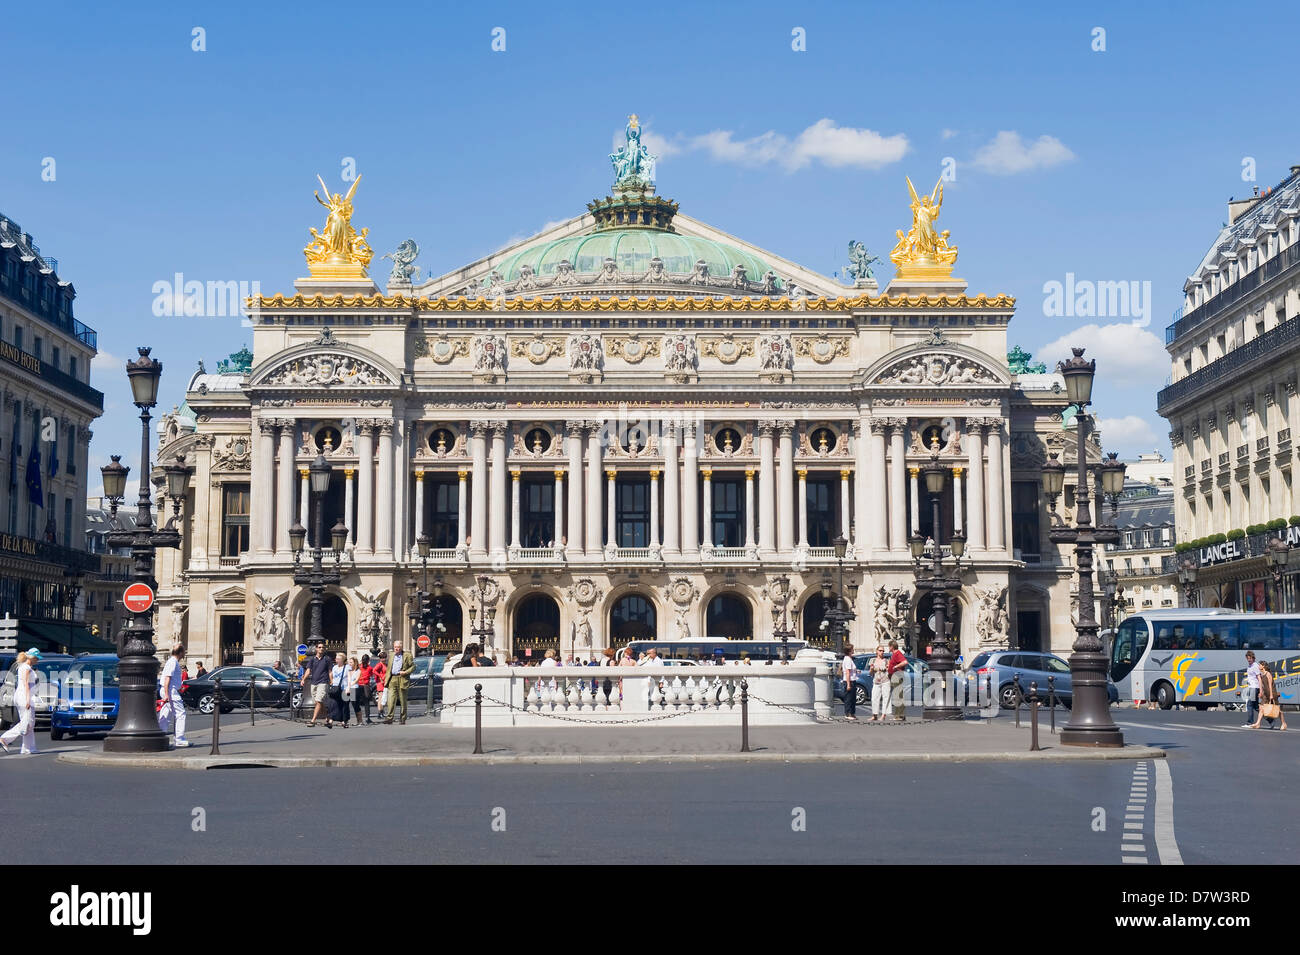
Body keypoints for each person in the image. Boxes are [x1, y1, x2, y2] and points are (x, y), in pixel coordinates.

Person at [1, 650, 39, 754]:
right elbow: (26, 684)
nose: (38, 660)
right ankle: (5, 739)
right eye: (36, 657)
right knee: (27, 723)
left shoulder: (23, 667)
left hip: (21, 696)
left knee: (28, 722)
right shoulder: (26, 668)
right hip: (24, 696)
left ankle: (28, 748)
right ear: (31, 657)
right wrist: (28, 699)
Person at [157, 642, 190, 748]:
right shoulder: (173, 662)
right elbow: (167, 678)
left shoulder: (172, 661)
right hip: (170, 691)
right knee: (180, 713)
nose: (184, 654)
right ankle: (179, 739)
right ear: (180, 652)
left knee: (166, 714)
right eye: (184, 652)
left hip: (168, 690)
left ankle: (161, 735)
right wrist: (167, 694)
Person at [300, 643, 334, 727]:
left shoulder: (327, 659)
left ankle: (313, 720)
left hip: (323, 682)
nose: (321, 649)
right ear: (316, 649)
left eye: (323, 647)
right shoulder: (312, 660)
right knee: (318, 702)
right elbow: (308, 670)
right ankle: (327, 718)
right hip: (314, 682)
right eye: (319, 647)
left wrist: (331, 681)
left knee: (319, 701)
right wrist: (303, 679)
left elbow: (330, 671)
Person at [1250, 661, 1288, 730]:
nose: (1259, 666)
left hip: (1272, 693)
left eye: (1260, 665)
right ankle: (1258, 723)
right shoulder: (1262, 674)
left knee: (1277, 710)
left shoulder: (1268, 674)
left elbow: (1270, 685)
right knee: (1261, 708)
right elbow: (1262, 685)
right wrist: (1261, 692)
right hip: (1265, 694)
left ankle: (1284, 723)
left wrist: (1271, 695)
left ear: (1263, 666)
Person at [383, 641, 415, 724]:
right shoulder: (391, 655)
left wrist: (405, 672)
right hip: (392, 679)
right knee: (390, 699)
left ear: (401, 648)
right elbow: (389, 668)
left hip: (402, 678)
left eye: (397, 647)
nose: (396, 649)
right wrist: (386, 678)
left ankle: (403, 718)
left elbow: (413, 667)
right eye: (395, 647)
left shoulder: (407, 655)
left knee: (402, 700)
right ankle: (389, 718)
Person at [887, 640, 908, 722]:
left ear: (892, 646)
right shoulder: (894, 654)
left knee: (898, 695)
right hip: (895, 676)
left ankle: (899, 715)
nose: (888, 648)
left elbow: (905, 662)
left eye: (889, 646)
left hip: (897, 676)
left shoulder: (897, 653)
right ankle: (898, 715)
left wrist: (896, 666)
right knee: (897, 695)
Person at [870, 645, 890, 722]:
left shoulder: (886, 660)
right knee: (874, 698)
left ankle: (883, 715)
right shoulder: (873, 660)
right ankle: (874, 715)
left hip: (885, 681)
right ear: (877, 651)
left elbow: (889, 670)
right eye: (880, 650)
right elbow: (871, 673)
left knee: (885, 698)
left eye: (883, 651)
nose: (882, 652)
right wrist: (871, 669)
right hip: (876, 681)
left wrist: (887, 668)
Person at [1242, 651, 1261, 728]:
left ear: (1253, 658)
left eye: (1250, 658)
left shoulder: (1255, 666)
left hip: (1255, 688)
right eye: (1247, 658)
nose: (1249, 660)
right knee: (1256, 707)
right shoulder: (1250, 666)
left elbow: (1259, 678)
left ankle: (1250, 723)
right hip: (1252, 687)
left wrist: (1261, 690)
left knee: (1249, 705)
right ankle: (1271, 720)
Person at [840, 644, 859, 720]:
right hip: (849, 681)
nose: (853, 650)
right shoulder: (847, 659)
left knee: (853, 698)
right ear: (849, 651)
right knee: (848, 698)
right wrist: (848, 684)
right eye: (852, 649)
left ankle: (852, 713)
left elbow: (851, 670)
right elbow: (847, 672)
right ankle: (848, 713)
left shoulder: (850, 659)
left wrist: (857, 671)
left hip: (853, 680)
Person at [357, 654, 375, 724]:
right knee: (366, 703)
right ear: (368, 661)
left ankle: (358, 718)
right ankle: (367, 717)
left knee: (357, 703)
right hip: (365, 686)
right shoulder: (370, 668)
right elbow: (371, 675)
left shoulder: (358, 667)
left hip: (358, 685)